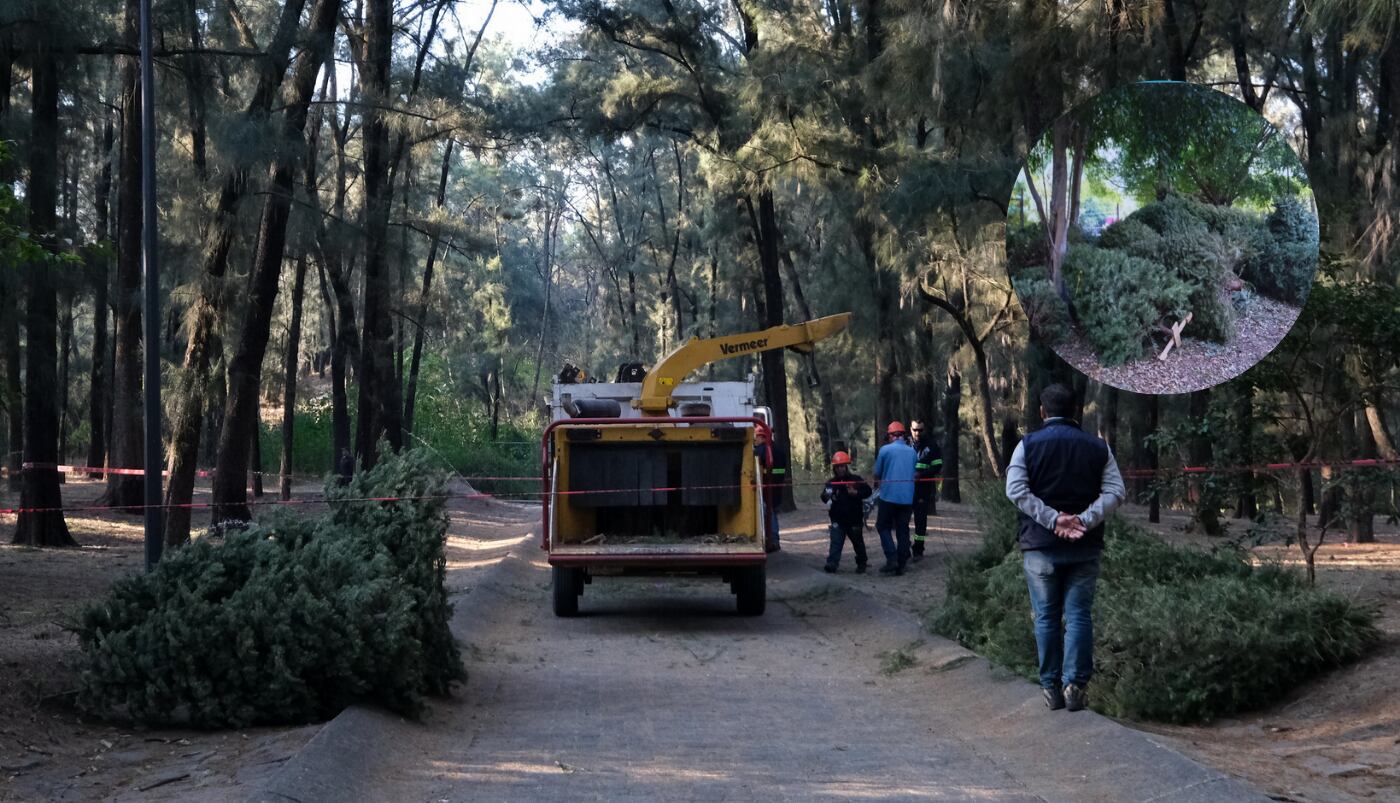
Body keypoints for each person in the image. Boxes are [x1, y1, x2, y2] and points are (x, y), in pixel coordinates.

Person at [1005, 383, 1125, 712]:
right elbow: (1116, 492)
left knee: (1046, 617)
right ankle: (1076, 685)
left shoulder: (1026, 445)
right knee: (1078, 616)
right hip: (1084, 547)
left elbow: (1015, 490)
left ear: (1042, 412)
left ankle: (1050, 688)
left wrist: (1052, 519)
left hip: (1039, 547)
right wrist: (1084, 520)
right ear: (1076, 411)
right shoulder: (1098, 448)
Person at [872, 421, 918, 575]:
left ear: (891, 435)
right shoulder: (912, 452)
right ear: (903, 435)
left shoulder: (885, 450)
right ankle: (902, 561)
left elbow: (877, 472)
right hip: (907, 497)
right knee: (902, 528)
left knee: (883, 526)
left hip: (888, 496)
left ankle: (892, 558)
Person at [820, 451, 872, 573]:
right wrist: (828, 494)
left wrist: (856, 493)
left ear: (846, 466)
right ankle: (832, 563)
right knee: (836, 543)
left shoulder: (856, 480)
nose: (840, 469)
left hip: (854, 519)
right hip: (837, 519)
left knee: (858, 543)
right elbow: (824, 497)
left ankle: (862, 563)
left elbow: (868, 491)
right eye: (837, 467)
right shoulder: (831, 483)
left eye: (842, 466)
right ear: (834, 468)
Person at [909, 419, 943, 563]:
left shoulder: (932, 446)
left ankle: (918, 549)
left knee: (920, 520)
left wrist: (921, 474)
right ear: (910, 429)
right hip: (905, 489)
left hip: (923, 489)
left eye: (920, 430)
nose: (917, 433)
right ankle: (904, 548)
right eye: (915, 429)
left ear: (924, 430)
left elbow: (937, 466)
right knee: (902, 519)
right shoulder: (905, 444)